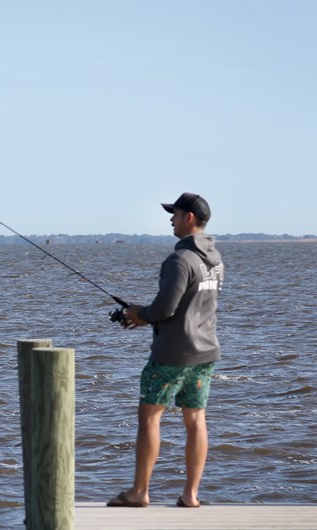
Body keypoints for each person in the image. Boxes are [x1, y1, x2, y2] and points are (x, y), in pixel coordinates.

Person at [107, 192, 224, 509]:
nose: (170, 219)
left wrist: (138, 315)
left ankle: (139, 492)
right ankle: (191, 496)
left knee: (149, 418)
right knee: (197, 421)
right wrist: (146, 316)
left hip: (171, 354)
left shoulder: (179, 260)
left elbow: (164, 308)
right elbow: (191, 307)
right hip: (206, 353)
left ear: (188, 218)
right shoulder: (214, 259)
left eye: (174, 214)